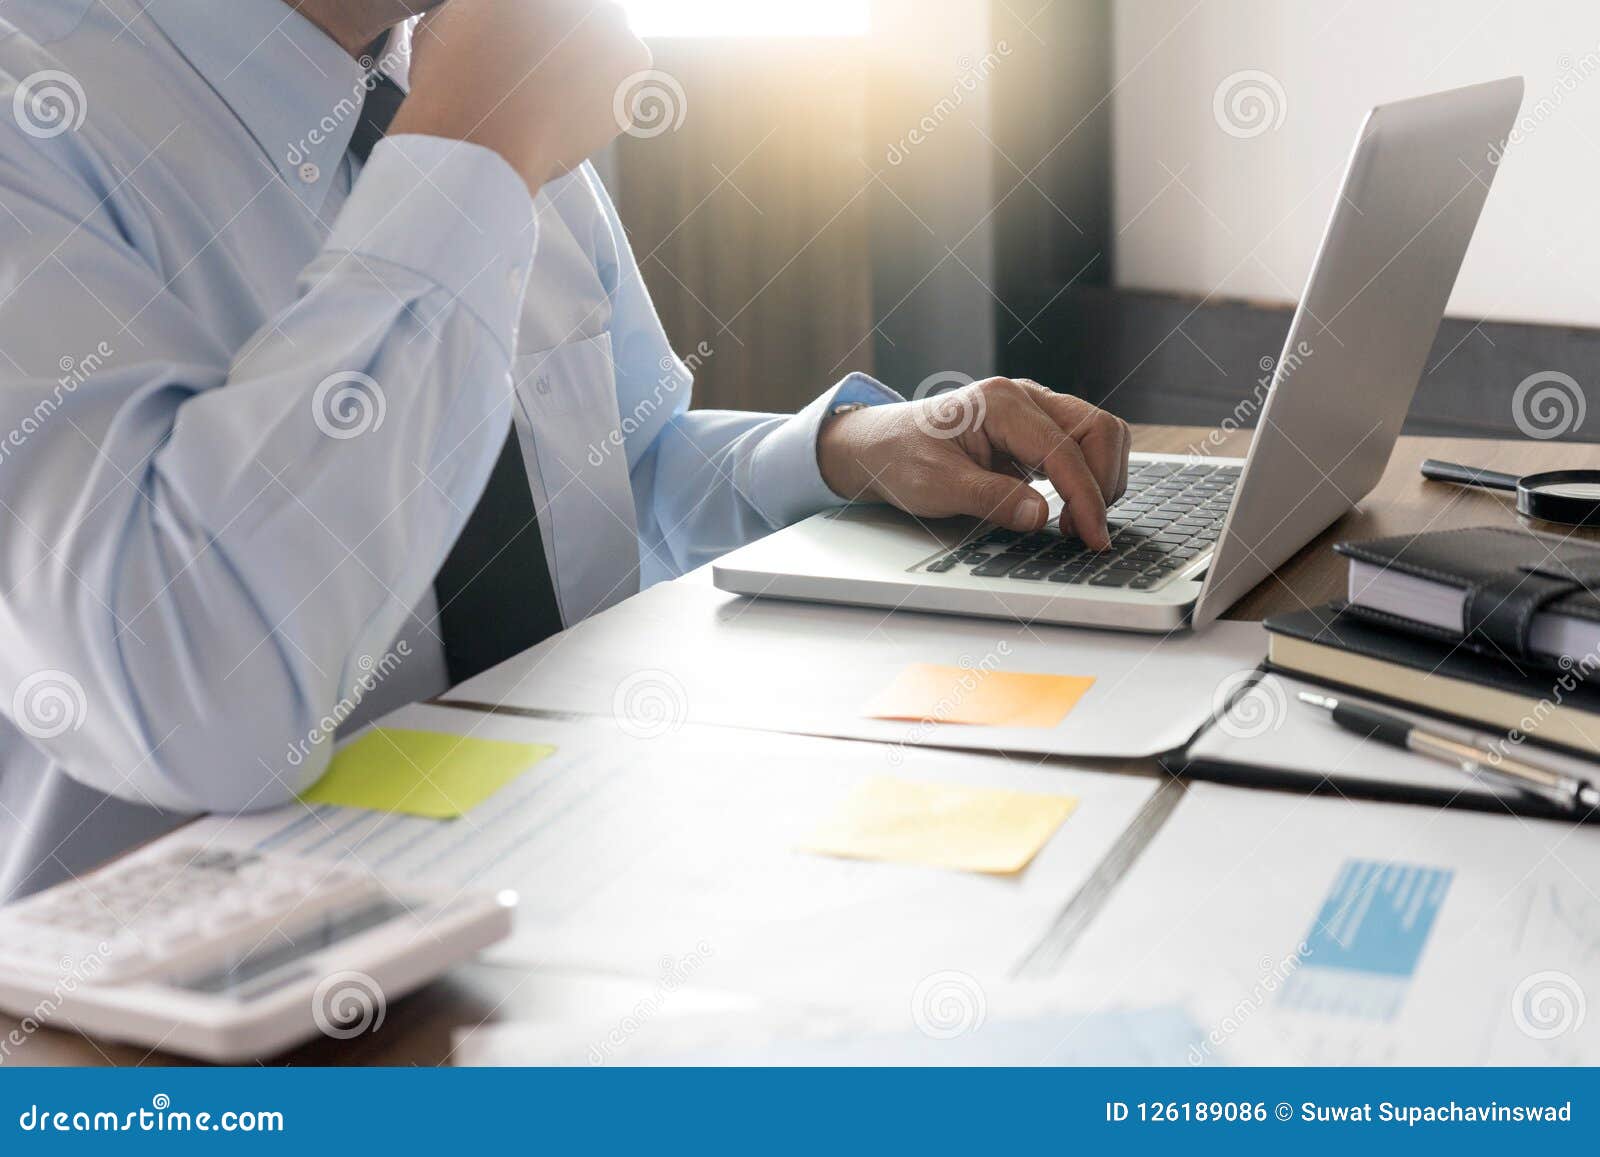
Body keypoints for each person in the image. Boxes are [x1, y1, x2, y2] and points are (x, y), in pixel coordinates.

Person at [0, 0, 1131, 897]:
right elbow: (193, 702)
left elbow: (620, 478)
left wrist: (843, 451)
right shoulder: (33, 115)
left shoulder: (470, 87)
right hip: (193, 1032)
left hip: (581, 887)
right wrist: (477, 141)